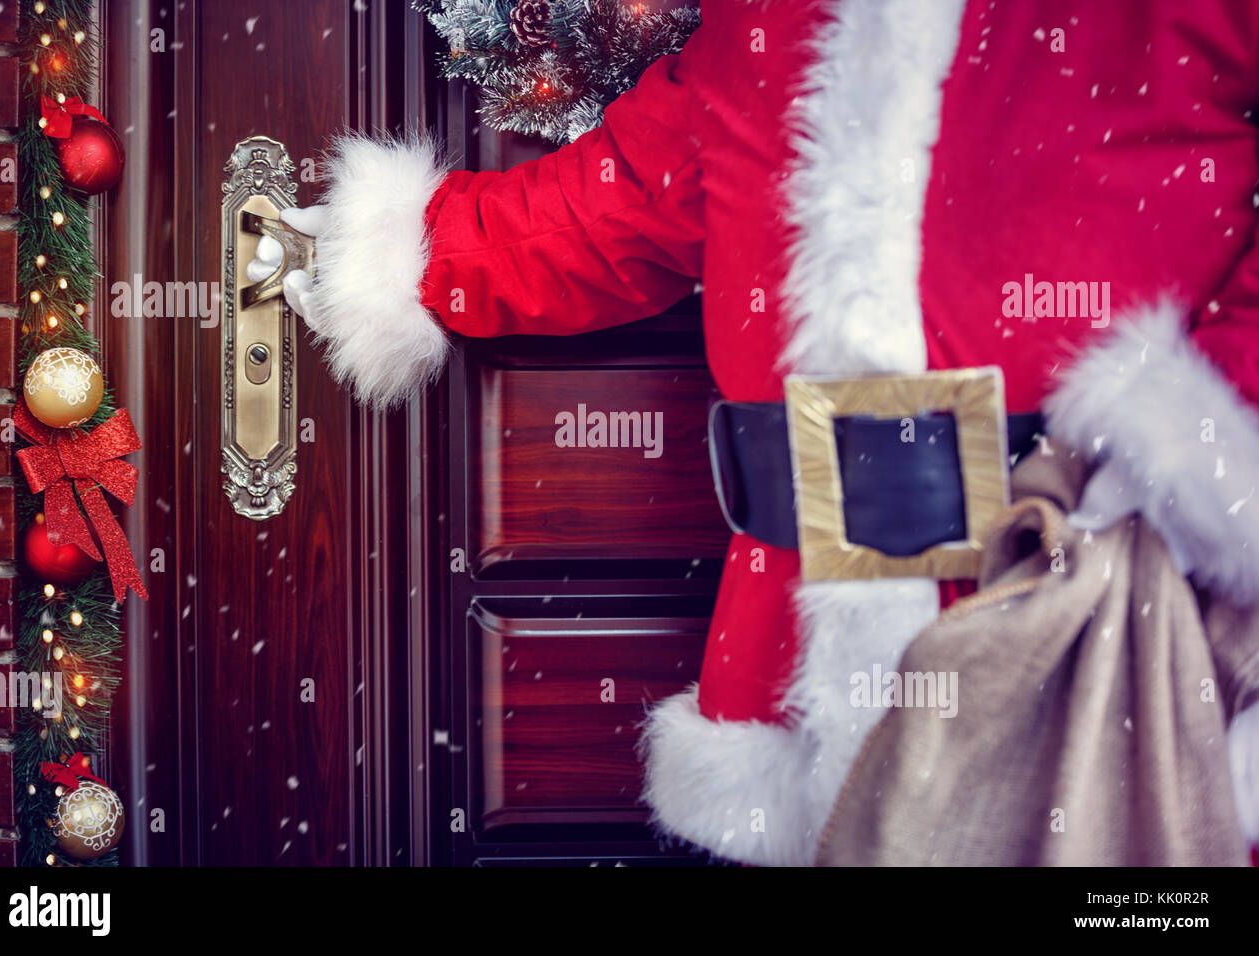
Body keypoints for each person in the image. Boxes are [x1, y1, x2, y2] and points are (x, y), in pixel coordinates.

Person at [250, 0, 1259, 866]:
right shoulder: (769, 22)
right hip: (806, 627)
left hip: (1112, 604)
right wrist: (392, 251)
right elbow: (623, 203)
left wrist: (1185, 439)